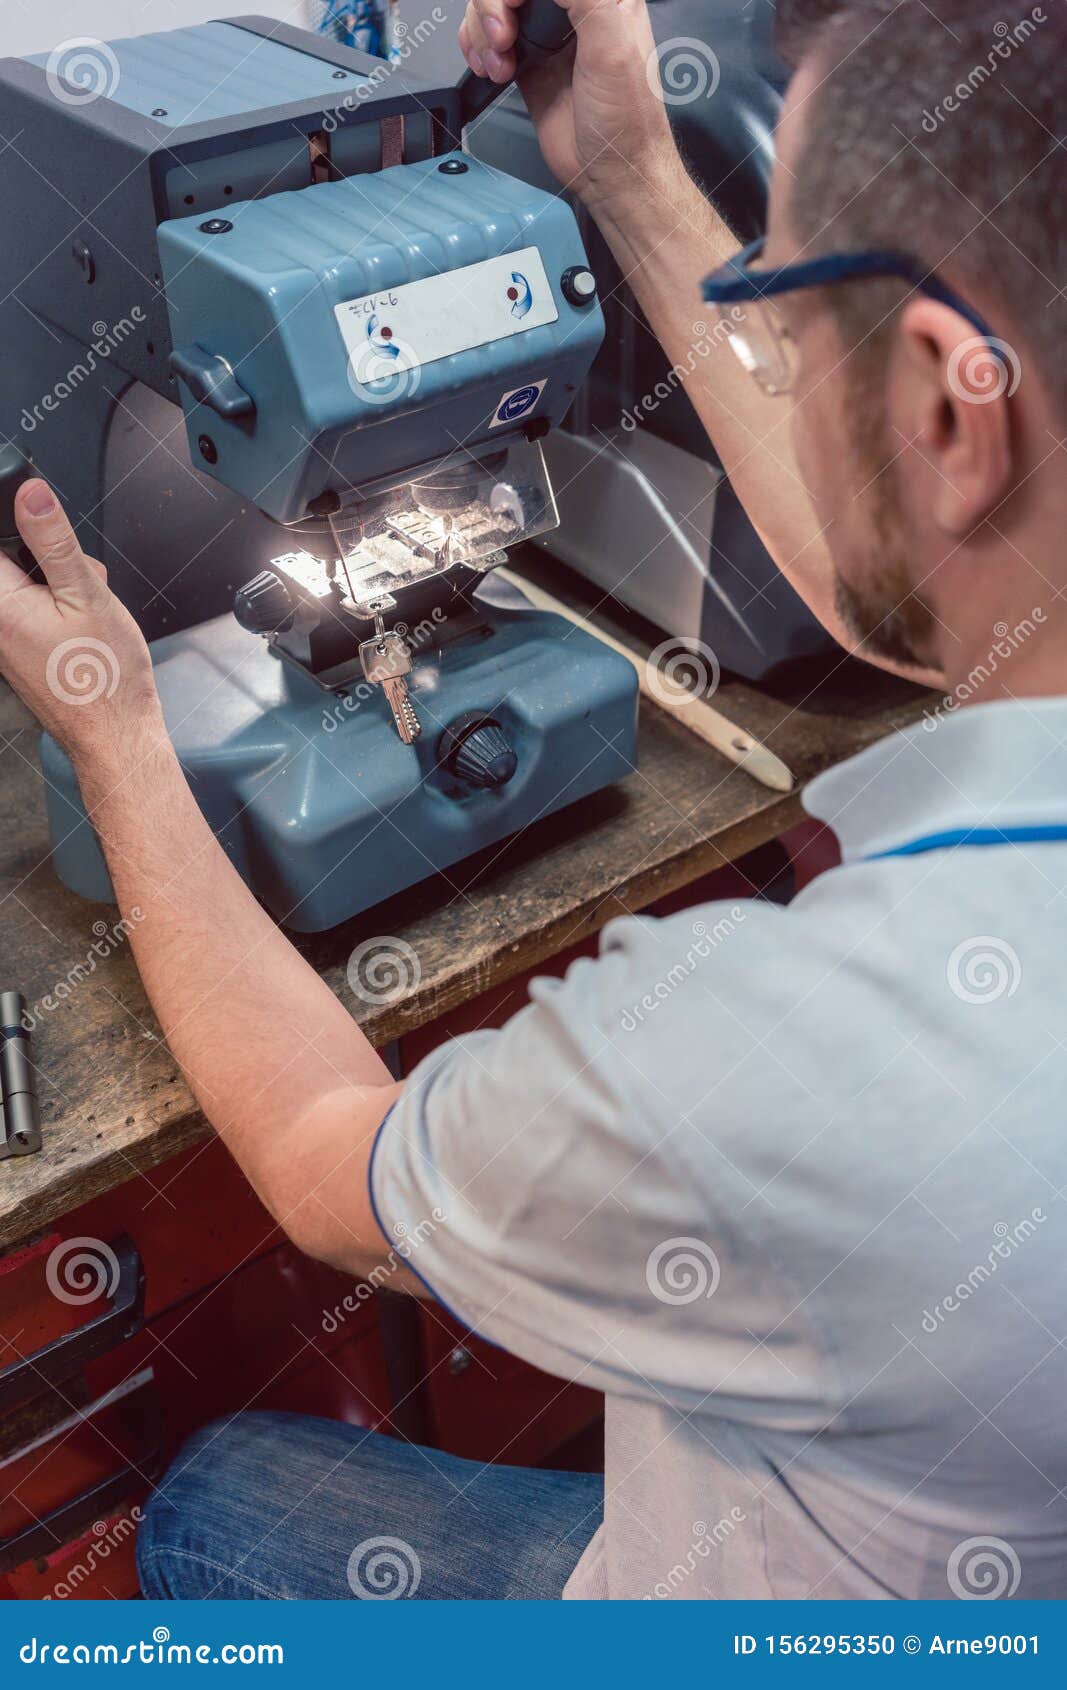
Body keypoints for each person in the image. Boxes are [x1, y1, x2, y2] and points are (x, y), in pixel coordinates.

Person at [1, 0, 1065, 1600]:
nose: (762, 349)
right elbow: (906, 598)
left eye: (778, 300)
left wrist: (118, 740)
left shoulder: (801, 1050)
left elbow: (319, 1158)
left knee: (209, 1500)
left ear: (938, 405)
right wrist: (630, 173)